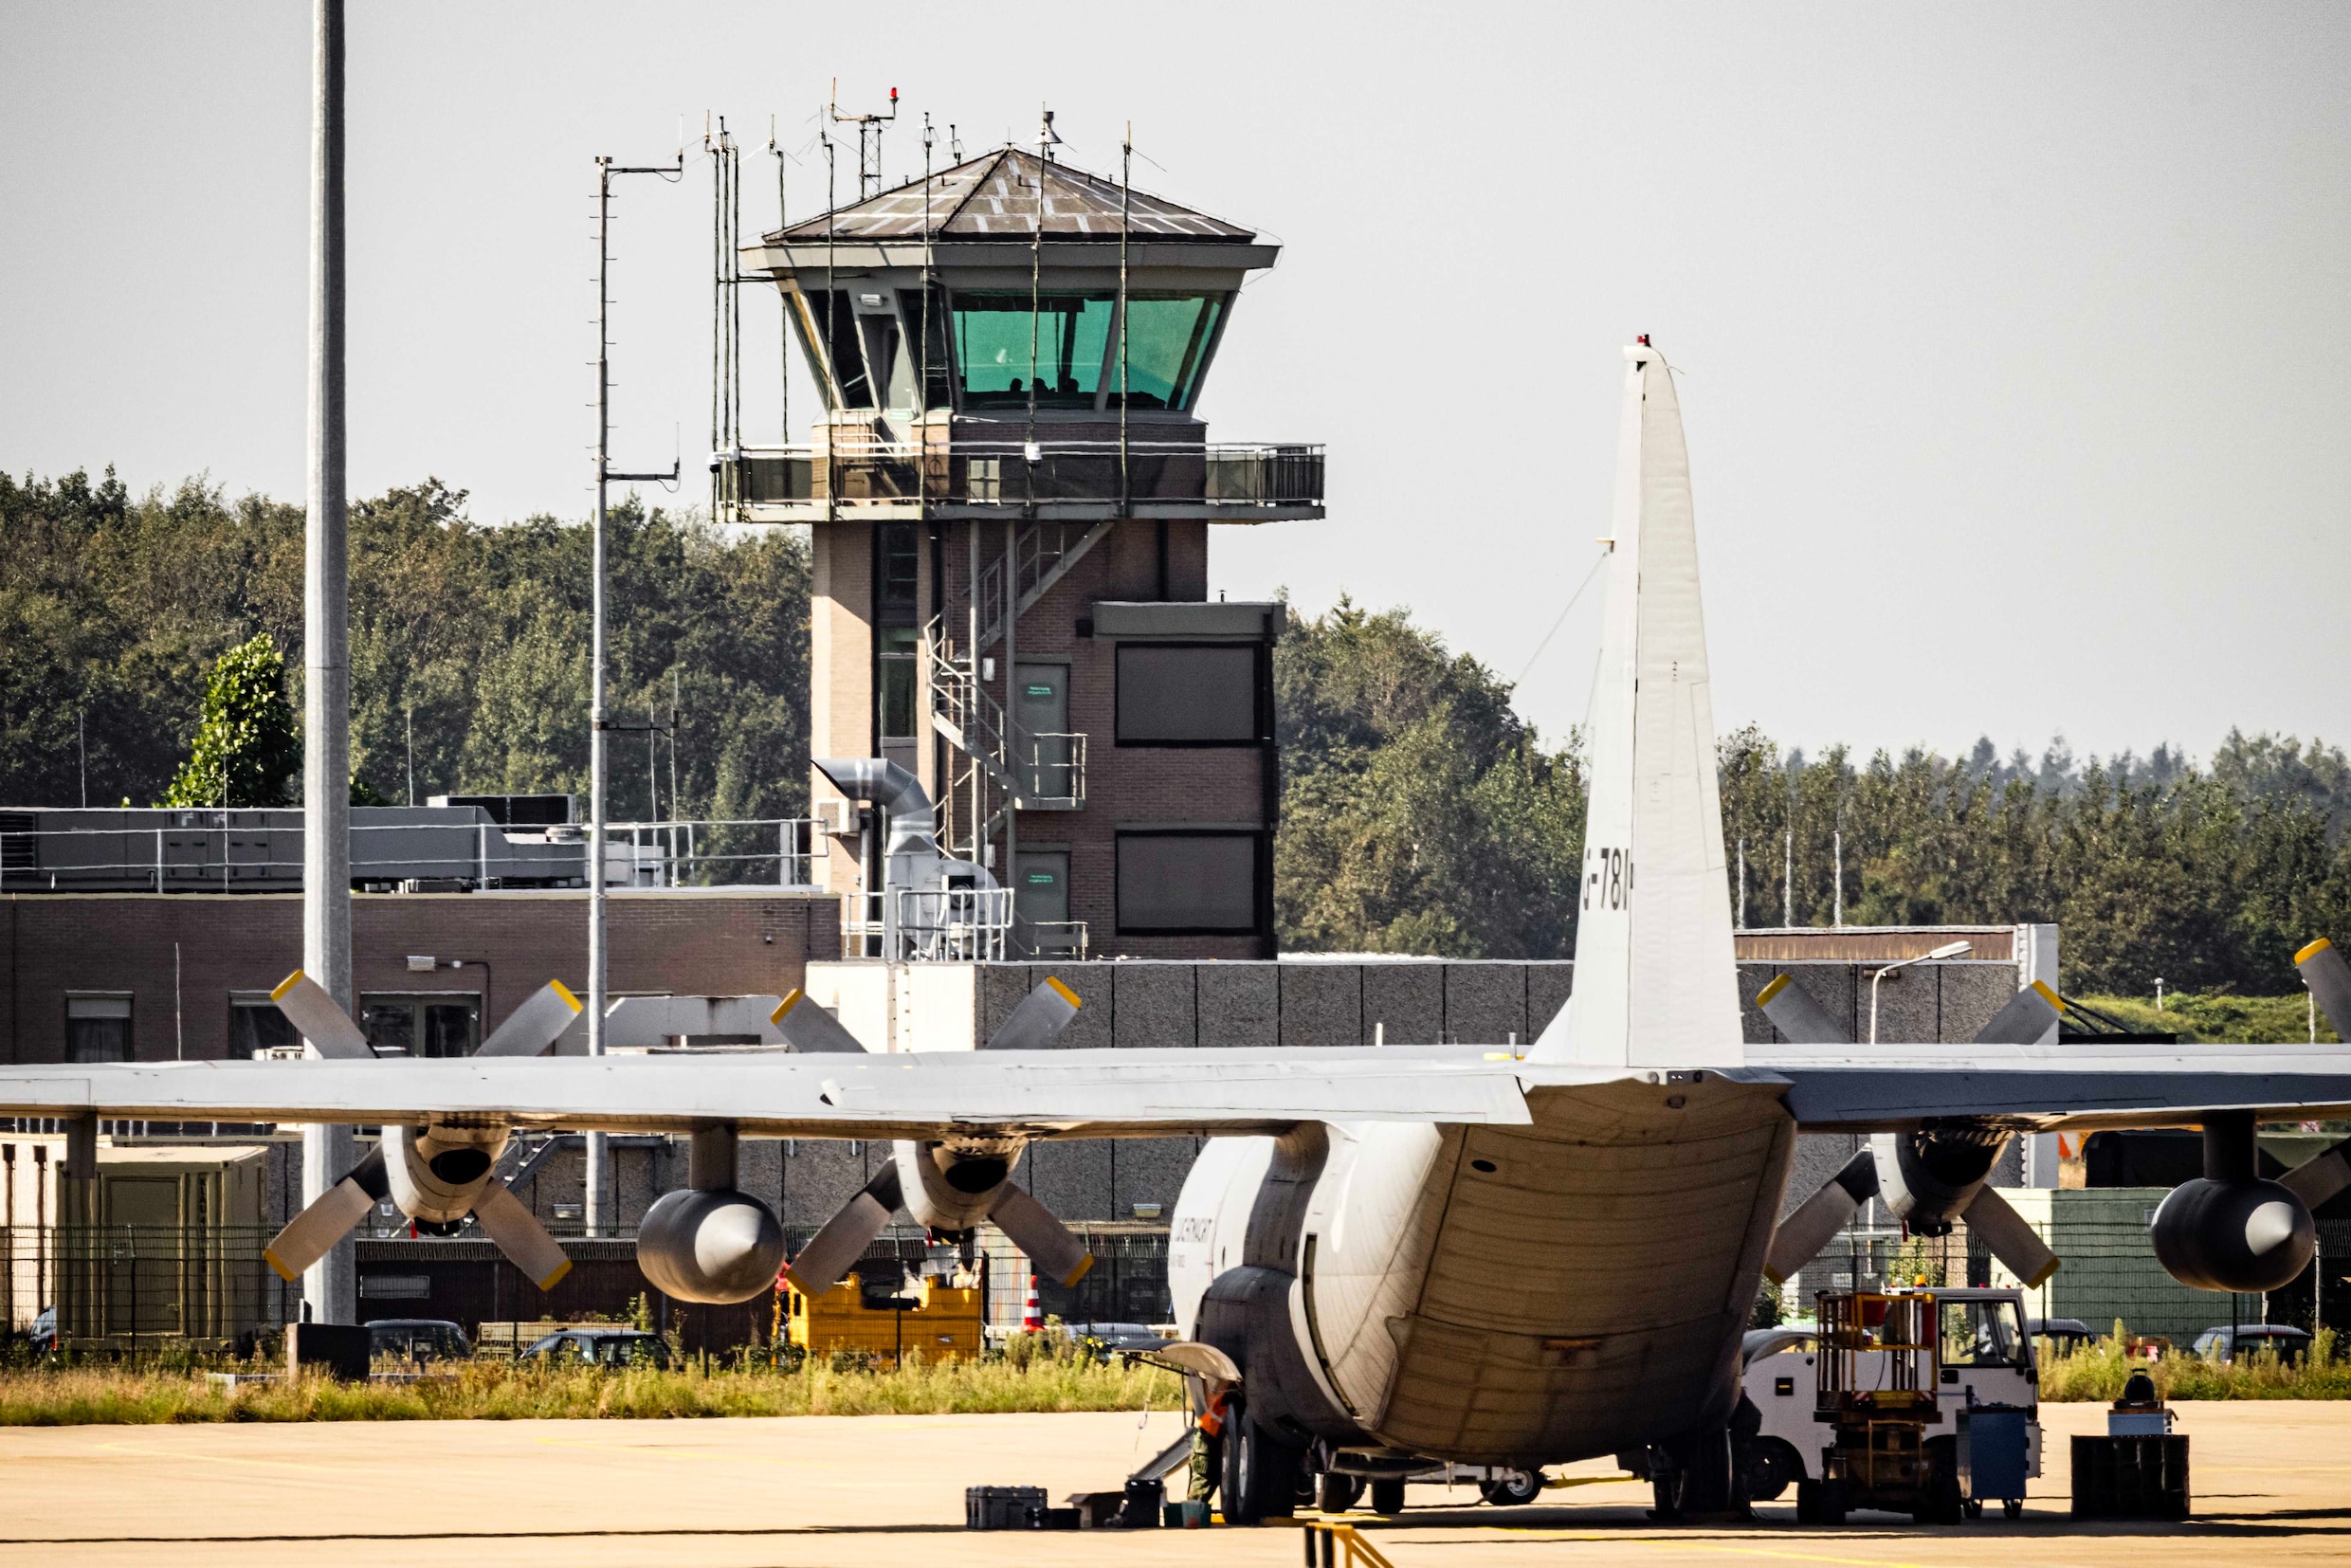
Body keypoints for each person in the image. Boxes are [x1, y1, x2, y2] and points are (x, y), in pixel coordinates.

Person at [1189, 1385, 1229, 1504]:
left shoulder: (1227, 1397)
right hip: (1207, 1437)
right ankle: (1193, 1509)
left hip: (1209, 1435)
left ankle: (1194, 1508)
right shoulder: (1227, 1399)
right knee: (1203, 1481)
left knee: (1209, 1478)